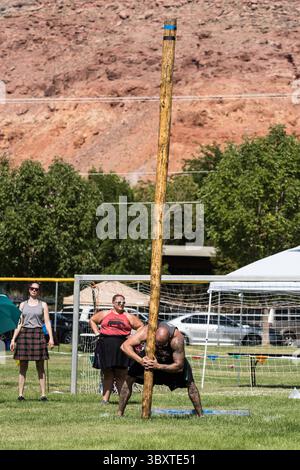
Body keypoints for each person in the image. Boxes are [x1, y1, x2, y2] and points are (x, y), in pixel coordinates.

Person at [117, 323, 204, 417]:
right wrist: (141, 361)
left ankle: (200, 415)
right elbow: (124, 346)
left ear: (169, 339)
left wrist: (158, 366)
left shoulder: (177, 339)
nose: (160, 347)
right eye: (157, 344)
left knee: (190, 384)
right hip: (148, 358)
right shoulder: (147, 331)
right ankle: (119, 413)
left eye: (163, 345)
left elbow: (179, 366)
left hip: (170, 362)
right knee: (129, 379)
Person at [89, 294, 143, 404]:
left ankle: (122, 400)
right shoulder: (105, 313)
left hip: (123, 347)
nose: (121, 304)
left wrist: (134, 337)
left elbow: (141, 326)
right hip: (106, 345)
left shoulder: (128, 316)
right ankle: (105, 400)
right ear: (113, 303)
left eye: (123, 302)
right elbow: (92, 320)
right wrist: (96, 333)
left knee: (121, 374)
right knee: (107, 373)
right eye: (119, 302)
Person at [10, 282, 54, 401]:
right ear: (29, 290)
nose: (34, 290)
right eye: (32, 288)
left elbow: (47, 322)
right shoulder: (23, 305)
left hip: (38, 334)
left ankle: (43, 395)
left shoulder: (43, 305)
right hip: (24, 335)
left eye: (36, 289)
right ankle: (20, 395)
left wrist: (51, 337)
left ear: (39, 291)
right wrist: (13, 339)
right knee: (23, 366)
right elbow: (19, 323)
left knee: (40, 366)